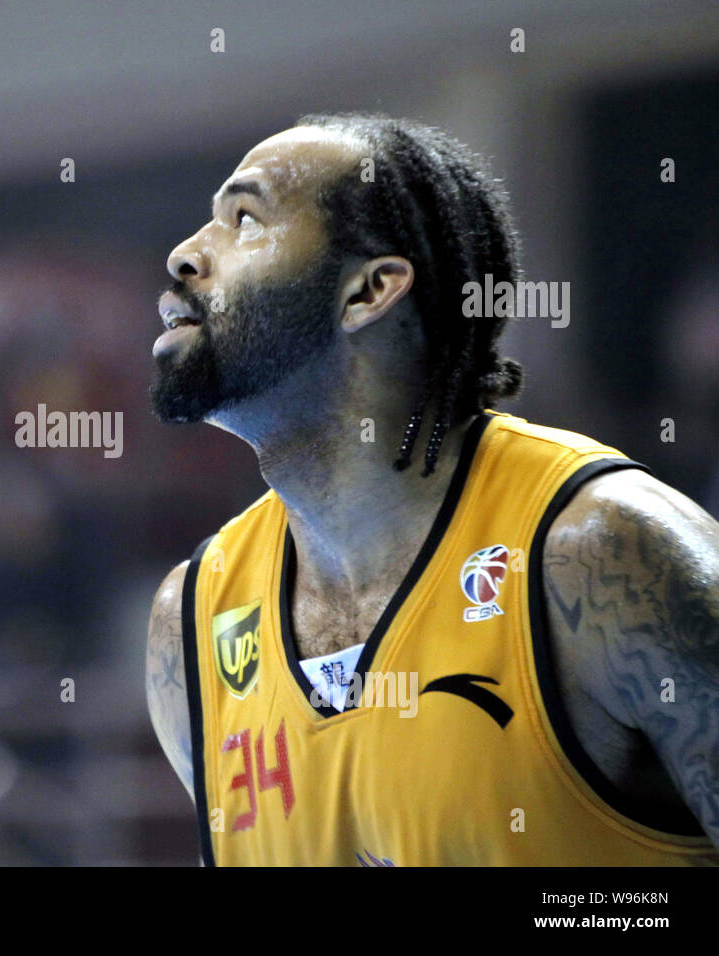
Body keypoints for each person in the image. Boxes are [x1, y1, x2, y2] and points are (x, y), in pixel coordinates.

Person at [144, 113, 719, 865]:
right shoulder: (190, 625)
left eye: (244, 218)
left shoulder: (600, 555)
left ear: (369, 291)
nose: (184, 256)